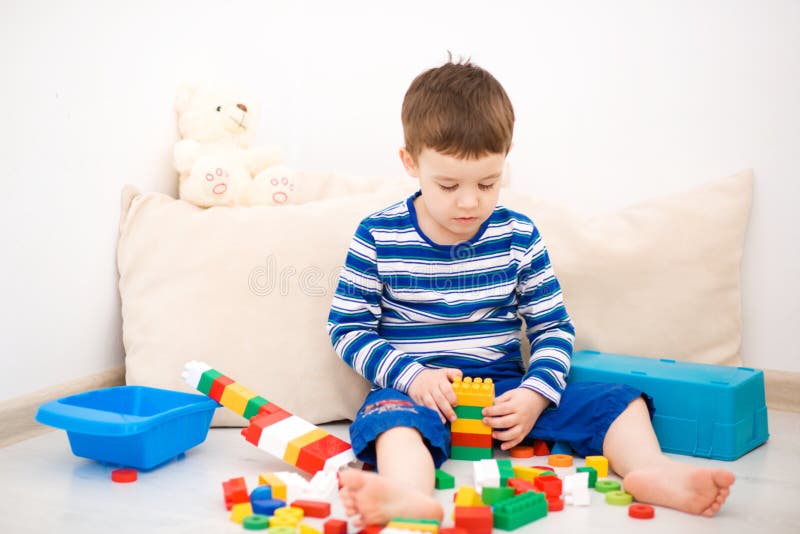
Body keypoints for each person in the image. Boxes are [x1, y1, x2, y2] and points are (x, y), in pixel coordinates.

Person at [326, 57, 734, 526]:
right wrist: (411, 376)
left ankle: (652, 471)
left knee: (622, 401)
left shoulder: (518, 235)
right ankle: (407, 493)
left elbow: (553, 328)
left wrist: (536, 394)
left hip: (505, 394)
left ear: (505, 163)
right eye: (448, 184)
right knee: (390, 423)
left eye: (487, 183)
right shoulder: (378, 235)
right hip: (418, 391)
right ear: (410, 162)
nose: (469, 201)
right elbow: (346, 328)